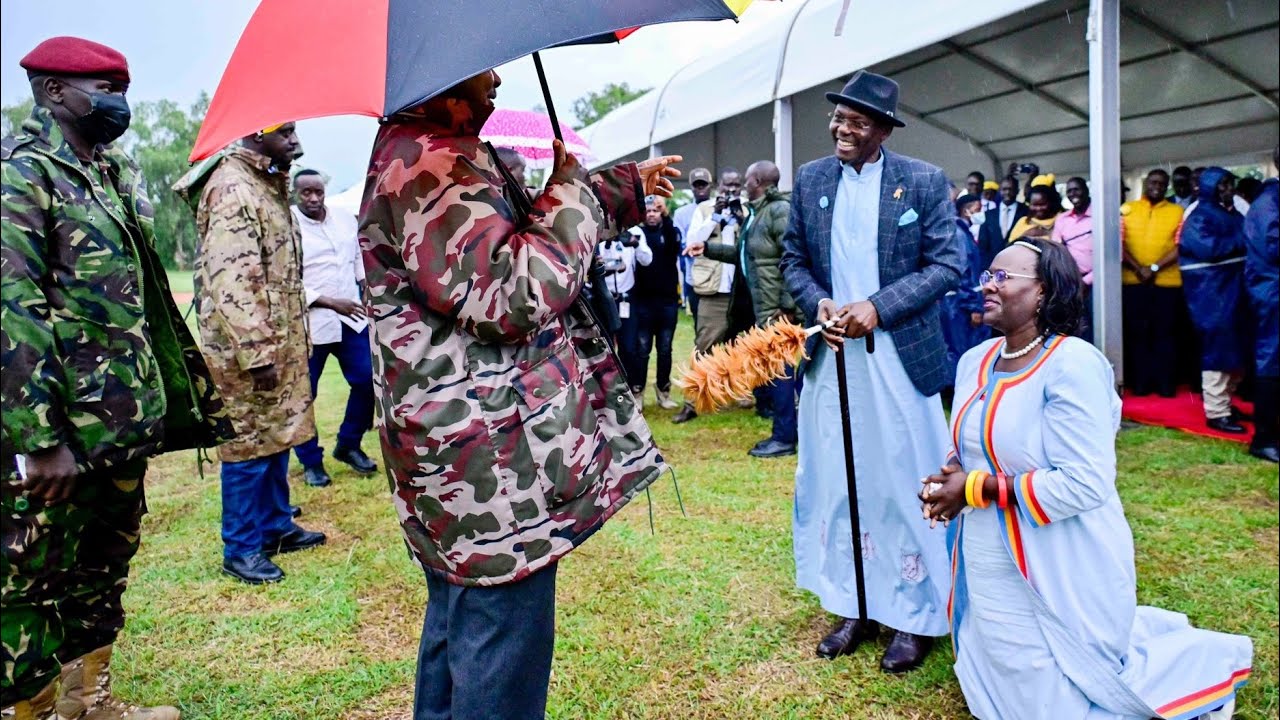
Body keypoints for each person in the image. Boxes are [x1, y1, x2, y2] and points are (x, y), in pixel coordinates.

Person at [358, 67, 680, 720]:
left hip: (473, 449)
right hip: (486, 462)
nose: (498, 77)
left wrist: (611, 189)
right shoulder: (427, 166)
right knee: (498, 643)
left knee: (464, 623)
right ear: (440, 76)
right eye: (481, 72)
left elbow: (514, 228)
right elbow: (516, 290)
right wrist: (573, 189)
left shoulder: (431, 153)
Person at [1, 36, 233, 719]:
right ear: (53, 93)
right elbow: (14, 311)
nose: (118, 104)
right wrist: (40, 440)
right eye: (103, 89)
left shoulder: (105, 171)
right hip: (59, 433)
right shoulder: (22, 175)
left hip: (118, 422)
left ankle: (88, 705)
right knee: (28, 578)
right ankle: (30, 711)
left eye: (121, 88)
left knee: (100, 568)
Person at [925, 237, 1252, 720]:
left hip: (1059, 559)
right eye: (986, 275)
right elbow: (972, 443)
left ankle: (1196, 668)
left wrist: (972, 489)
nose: (987, 286)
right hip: (987, 552)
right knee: (996, 690)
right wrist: (948, 476)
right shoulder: (976, 360)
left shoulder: (1073, 364)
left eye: (1002, 277)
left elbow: (1084, 483)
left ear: (1043, 293)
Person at [781, 70, 963, 673]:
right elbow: (794, 262)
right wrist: (822, 304)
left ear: (884, 130)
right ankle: (853, 604)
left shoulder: (922, 181)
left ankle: (913, 614)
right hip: (830, 361)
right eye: (838, 118)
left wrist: (877, 307)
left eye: (858, 123)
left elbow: (946, 264)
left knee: (902, 476)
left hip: (897, 359)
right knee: (839, 478)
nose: (842, 130)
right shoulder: (810, 181)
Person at [184, 123, 326, 585]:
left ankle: (275, 526)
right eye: (284, 132)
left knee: (279, 432)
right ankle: (242, 547)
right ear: (254, 134)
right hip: (247, 350)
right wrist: (258, 352)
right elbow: (234, 282)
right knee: (248, 443)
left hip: (278, 339)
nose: (294, 140)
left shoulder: (265, 183)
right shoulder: (231, 188)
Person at [687, 160, 799, 457]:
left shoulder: (779, 211)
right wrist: (708, 249)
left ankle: (785, 437)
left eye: (747, 180)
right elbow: (745, 254)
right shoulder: (758, 212)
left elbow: (795, 259)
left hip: (777, 310)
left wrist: (787, 306)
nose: (743, 186)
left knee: (781, 371)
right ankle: (784, 430)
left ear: (759, 181)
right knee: (775, 369)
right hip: (764, 307)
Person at [290, 169, 378, 486]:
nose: (313, 198)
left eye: (317, 191)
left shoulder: (343, 218)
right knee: (304, 394)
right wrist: (326, 301)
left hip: (350, 317)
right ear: (294, 193)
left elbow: (356, 256)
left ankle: (349, 444)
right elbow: (284, 278)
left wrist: (364, 285)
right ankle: (311, 461)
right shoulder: (288, 225)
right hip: (310, 322)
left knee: (368, 380)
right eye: (305, 193)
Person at [674, 167, 757, 424]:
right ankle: (692, 400)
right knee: (705, 344)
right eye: (726, 185)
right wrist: (717, 215)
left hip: (741, 288)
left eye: (736, 185)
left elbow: (755, 240)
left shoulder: (748, 207)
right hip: (713, 287)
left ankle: (740, 392)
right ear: (718, 185)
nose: (731, 190)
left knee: (742, 344)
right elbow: (693, 242)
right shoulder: (705, 209)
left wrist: (741, 216)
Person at [1180, 168, 1252, 435]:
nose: (1227, 189)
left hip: (1232, 292)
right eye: (1221, 185)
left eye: (1229, 184)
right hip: (1211, 294)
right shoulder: (1199, 216)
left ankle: (1226, 403)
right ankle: (1216, 412)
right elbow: (1208, 249)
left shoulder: (1232, 213)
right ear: (1210, 188)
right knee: (1218, 349)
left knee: (1236, 349)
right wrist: (1246, 239)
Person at [1121, 169, 1184, 397]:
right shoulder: (1127, 210)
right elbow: (1118, 243)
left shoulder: (1177, 212)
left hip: (1166, 284)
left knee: (1165, 335)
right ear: (1145, 183)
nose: (1156, 186)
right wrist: (1139, 268)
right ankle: (1141, 384)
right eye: (1152, 182)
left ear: (1167, 186)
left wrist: (1154, 267)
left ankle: (1165, 385)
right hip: (1133, 282)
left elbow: (1180, 245)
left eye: (1161, 183)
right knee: (1138, 334)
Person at [630, 196, 683, 410]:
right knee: (642, 349)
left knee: (665, 349)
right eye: (648, 210)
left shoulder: (669, 233)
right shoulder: (636, 235)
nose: (651, 214)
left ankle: (664, 391)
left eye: (656, 210)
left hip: (668, 302)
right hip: (643, 302)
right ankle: (638, 392)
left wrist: (667, 216)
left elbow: (675, 245)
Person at [1244, 150, 1278, 463]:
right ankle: (1264, 438)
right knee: (1272, 361)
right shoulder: (1269, 202)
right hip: (1272, 291)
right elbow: (1273, 245)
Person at [598, 215, 653, 393]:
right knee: (604, 346)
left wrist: (635, 243)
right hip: (602, 298)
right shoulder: (597, 230)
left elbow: (647, 260)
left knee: (629, 347)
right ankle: (606, 389)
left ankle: (629, 388)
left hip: (626, 298)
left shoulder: (635, 232)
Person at [940, 194, 989, 392]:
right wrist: (974, 307)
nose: (981, 213)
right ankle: (958, 392)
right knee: (961, 350)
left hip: (959, 303)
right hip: (960, 305)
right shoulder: (960, 235)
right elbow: (963, 272)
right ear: (966, 209)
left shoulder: (964, 233)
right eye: (978, 208)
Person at [1051, 176, 1094, 342]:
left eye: (1077, 189)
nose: (1073, 194)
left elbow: (1113, 257)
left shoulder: (1101, 215)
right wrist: (1073, 280)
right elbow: (1057, 250)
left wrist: (1087, 281)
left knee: (1098, 328)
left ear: (1086, 190)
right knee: (1075, 329)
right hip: (1071, 283)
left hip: (1097, 284)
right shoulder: (1062, 219)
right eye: (1069, 191)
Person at [672, 167, 714, 318]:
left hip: (718, 274)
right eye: (697, 185)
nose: (701, 188)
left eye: (704, 184)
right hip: (694, 275)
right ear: (691, 187)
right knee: (699, 320)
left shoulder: (718, 207)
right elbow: (680, 243)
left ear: (711, 185)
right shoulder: (681, 213)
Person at [978, 175, 1027, 270]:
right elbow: (983, 246)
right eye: (1004, 189)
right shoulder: (989, 215)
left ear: (1017, 191)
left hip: (1019, 266)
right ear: (1000, 191)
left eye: (1010, 189)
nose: (1007, 192)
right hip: (994, 267)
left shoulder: (1025, 212)